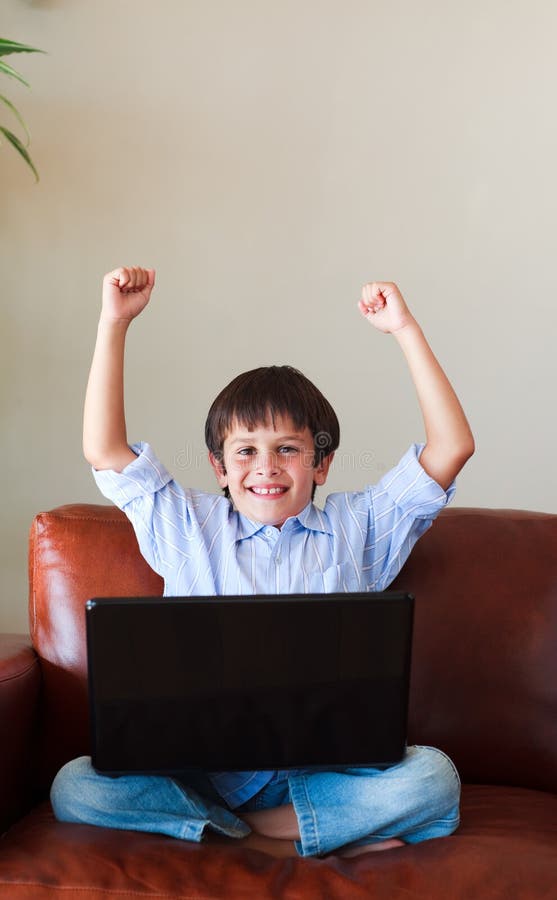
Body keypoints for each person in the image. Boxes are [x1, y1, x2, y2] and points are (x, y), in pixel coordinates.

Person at [51, 266, 474, 858]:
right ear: (219, 468)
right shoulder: (187, 525)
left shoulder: (359, 526)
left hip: (323, 772)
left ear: (321, 464)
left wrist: (404, 329)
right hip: (205, 771)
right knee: (76, 786)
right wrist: (113, 321)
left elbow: (452, 447)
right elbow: (103, 448)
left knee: (433, 778)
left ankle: (242, 835)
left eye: (288, 449)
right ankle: (283, 837)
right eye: (245, 451)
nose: (266, 467)